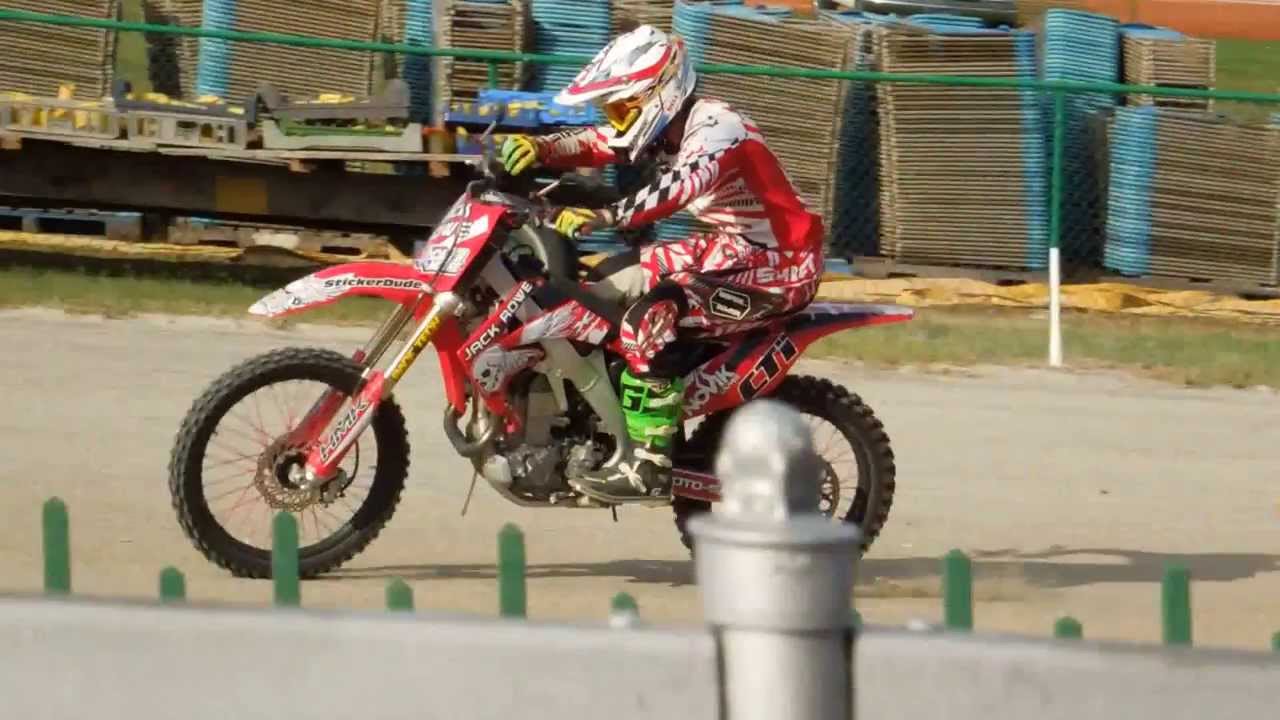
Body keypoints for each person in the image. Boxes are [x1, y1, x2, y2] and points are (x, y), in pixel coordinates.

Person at [498, 24, 825, 503]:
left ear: (660, 91)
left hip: (782, 266)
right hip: (734, 248)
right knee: (607, 281)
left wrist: (605, 215)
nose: (618, 117)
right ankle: (604, 414)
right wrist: (543, 149)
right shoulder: (668, 127)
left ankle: (649, 462)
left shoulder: (719, 126)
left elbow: (680, 188)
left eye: (623, 106)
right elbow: (602, 141)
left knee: (648, 316)